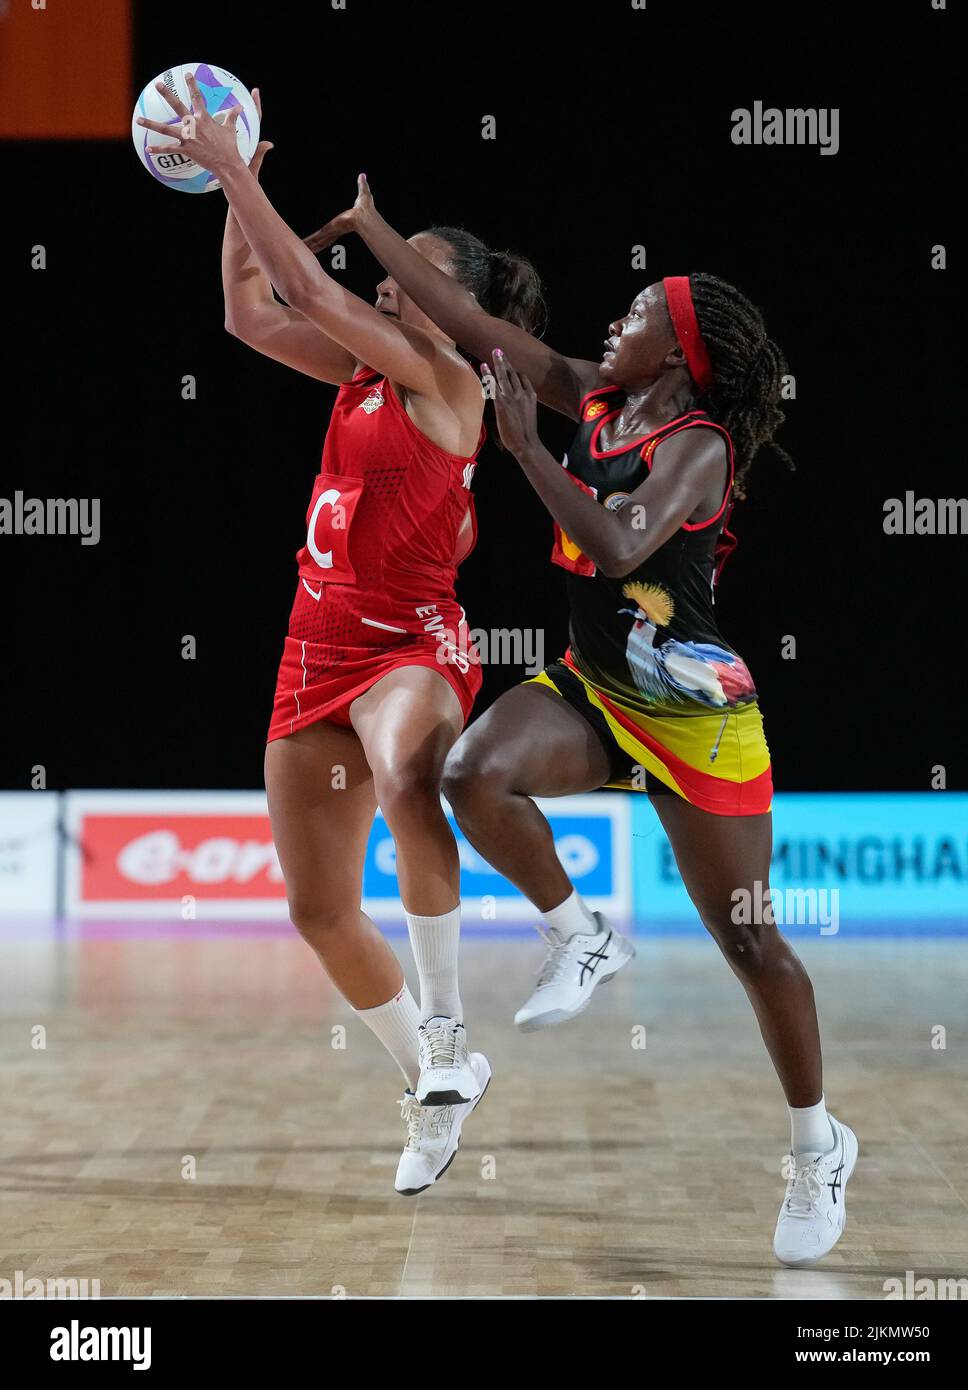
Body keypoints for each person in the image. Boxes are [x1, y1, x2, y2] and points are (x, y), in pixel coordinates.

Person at [306, 174, 858, 1265]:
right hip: (598, 693)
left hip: (695, 720)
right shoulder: (594, 396)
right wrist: (371, 226)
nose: (618, 318)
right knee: (469, 772)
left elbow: (614, 547)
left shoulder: (697, 445)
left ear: (680, 353)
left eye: (641, 313)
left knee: (748, 940)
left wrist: (521, 453)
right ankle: (583, 931)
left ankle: (814, 1144)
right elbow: (471, 322)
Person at [136, 80, 544, 1195]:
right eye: (391, 257)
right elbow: (250, 308)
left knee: (409, 768)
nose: (389, 273)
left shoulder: (449, 380)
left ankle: (452, 1030)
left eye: (419, 265)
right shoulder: (364, 368)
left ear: (452, 301)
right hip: (311, 649)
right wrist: (243, 173)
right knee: (316, 909)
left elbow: (307, 283)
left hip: (410, 645)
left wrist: (230, 166)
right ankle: (431, 1086)